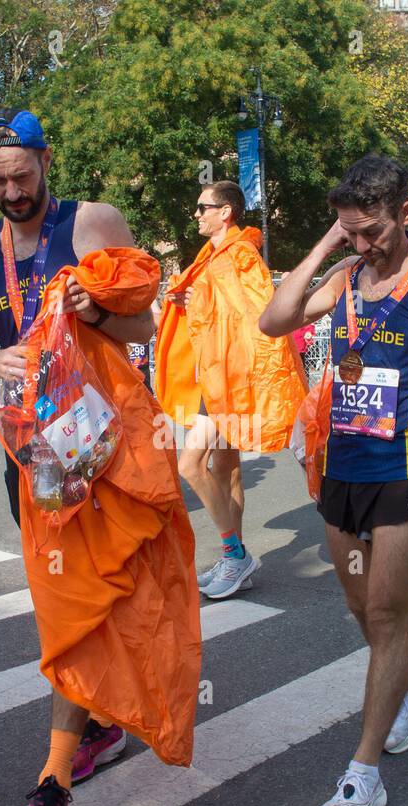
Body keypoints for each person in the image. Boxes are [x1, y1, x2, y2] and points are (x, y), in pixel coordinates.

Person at [0, 109, 199, 806]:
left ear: (45, 161)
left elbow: (143, 329)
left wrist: (98, 311)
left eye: (22, 175)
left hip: (108, 447)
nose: (11, 190)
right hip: (35, 457)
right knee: (68, 606)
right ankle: (98, 720)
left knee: (103, 597)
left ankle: (51, 790)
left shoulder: (93, 221)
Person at [258, 155, 408, 806]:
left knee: (388, 618)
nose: (364, 244)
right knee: (364, 611)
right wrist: (327, 246)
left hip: (404, 473)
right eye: (351, 231)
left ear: (405, 215)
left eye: (373, 231)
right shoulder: (345, 279)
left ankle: (361, 780)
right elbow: (273, 322)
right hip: (341, 472)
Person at [155, 180, 307, 599]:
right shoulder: (211, 255)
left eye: (204, 207)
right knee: (226, 468)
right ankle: (233, 560)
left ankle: (234, 553)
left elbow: (254, 312)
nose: (197, 214)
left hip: (231, 375)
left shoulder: (241, 254)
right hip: (215, 372)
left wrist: (195, 299)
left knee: (190, 465)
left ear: (227, 212)